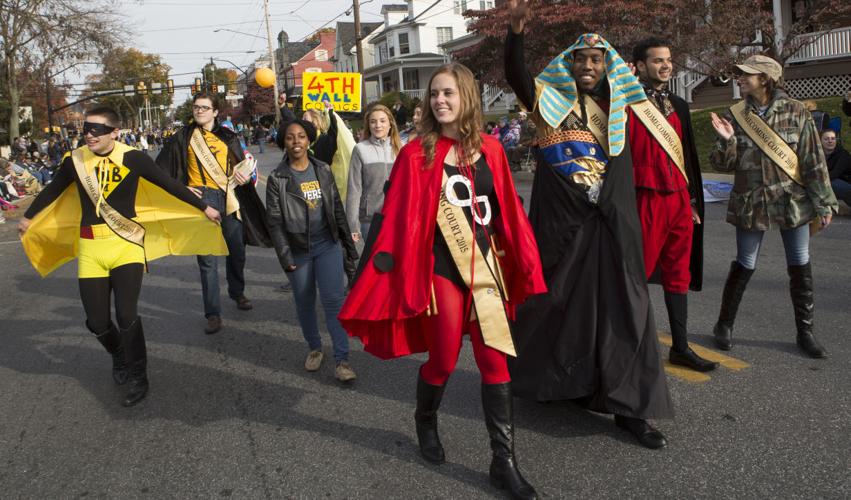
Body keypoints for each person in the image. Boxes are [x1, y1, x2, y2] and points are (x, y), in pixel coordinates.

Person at [340, 63, 547, 499]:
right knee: (445, 360)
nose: (440, 100)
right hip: (440, 268)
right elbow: (397, 217)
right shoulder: (417, 153)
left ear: (466, 96)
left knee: (496, 363)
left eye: (448, 93)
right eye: (435, 94)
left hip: (487, 267)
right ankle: (426, 421)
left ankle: (503, 462)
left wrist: (524, 260)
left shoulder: (491, 149)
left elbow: (507, 208)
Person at [504, 0, 673, 450]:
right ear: (568, 64)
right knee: (560, 311)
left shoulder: (616, 107)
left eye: (598, 60)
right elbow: (518, 78)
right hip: (563, 230)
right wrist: (516, 35)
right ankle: (565, 385)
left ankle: (631, 410)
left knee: (628, 314)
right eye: (581, 59)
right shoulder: (547, 103)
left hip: (611, 228)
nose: (589, 66)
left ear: (606, 67)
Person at [18, 106, 225, 406]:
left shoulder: (133, 158)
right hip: (91, 248)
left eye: (97, 129)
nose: (89, 134)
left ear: (115, 132)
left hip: (126, 244)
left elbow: (167, 183)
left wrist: (203, 207)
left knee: (126, 315)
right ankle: (118, 354)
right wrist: (28, 217)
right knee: (97, 321)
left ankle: (139, 375)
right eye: (86, 128)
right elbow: (53, 190)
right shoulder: (75, 161)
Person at [709, 54, 837, 358]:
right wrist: (727, 140)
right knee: (745, 262)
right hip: (751, 201)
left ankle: (805, 331)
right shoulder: (736, 113)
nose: (740, 79)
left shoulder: (796, 112)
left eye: (746, 75)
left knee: (800, 263)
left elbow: (813, 160)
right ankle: (724, 325)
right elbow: (721, 163)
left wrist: (824, 202)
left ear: (764, 79)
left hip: (792, 201)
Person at [629, 37, 717, 372]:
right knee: (635, 277)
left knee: (678, 275)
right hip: (644, 196)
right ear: (638, 65)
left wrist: (692, 199)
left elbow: (688, 156)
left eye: (668, 60)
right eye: (656, 61)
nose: (665, 65)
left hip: (678, 200)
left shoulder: (678, 104)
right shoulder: (627, 103)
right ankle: (631, 351)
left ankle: (680, 347)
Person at [156, 92, 271, 334]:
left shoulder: (228, 136)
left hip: (230, 197)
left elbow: (246, 162)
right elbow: (161, 169)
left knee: (237, 250)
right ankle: (213, 313)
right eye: (197, 107)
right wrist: (182, 187)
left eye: (205, 108)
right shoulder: (182, 137)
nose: (199, 111)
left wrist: (244, 174)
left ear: (215, 112)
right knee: (207, 260)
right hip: (201, 199)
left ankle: (237, 292)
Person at [266, 119, 359, 383]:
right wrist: (285, 257)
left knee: (333, 301)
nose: (296, 142)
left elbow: (336, 210)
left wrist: (348, 249)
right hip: (298, 250)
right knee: (305, 302)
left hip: (327, 245)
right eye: (290, 138)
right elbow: (274, 222)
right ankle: (315, 348)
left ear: (309, 141)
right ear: (284, 142)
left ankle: (342, 360)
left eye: (301, 137)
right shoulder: (277, 178)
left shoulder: (322, 169)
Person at [346, 104, 401, 248]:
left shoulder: (401, 149)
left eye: (382, 121)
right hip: (369, 220)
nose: (378, 125)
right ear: (368, 125)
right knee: (373, 264)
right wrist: (352, 224)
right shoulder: (360, 150)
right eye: (373, 121)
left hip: (397, 217)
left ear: (390, 124)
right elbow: (354, 189)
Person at [823, 128, 851, 206]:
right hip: (837, 180)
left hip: (847, 183)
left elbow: (834, 174)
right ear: (820, 141)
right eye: (826, 139)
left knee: (830, 183)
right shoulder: (817, 154)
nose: (830, 141)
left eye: (833, 138)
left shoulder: (843, 154)